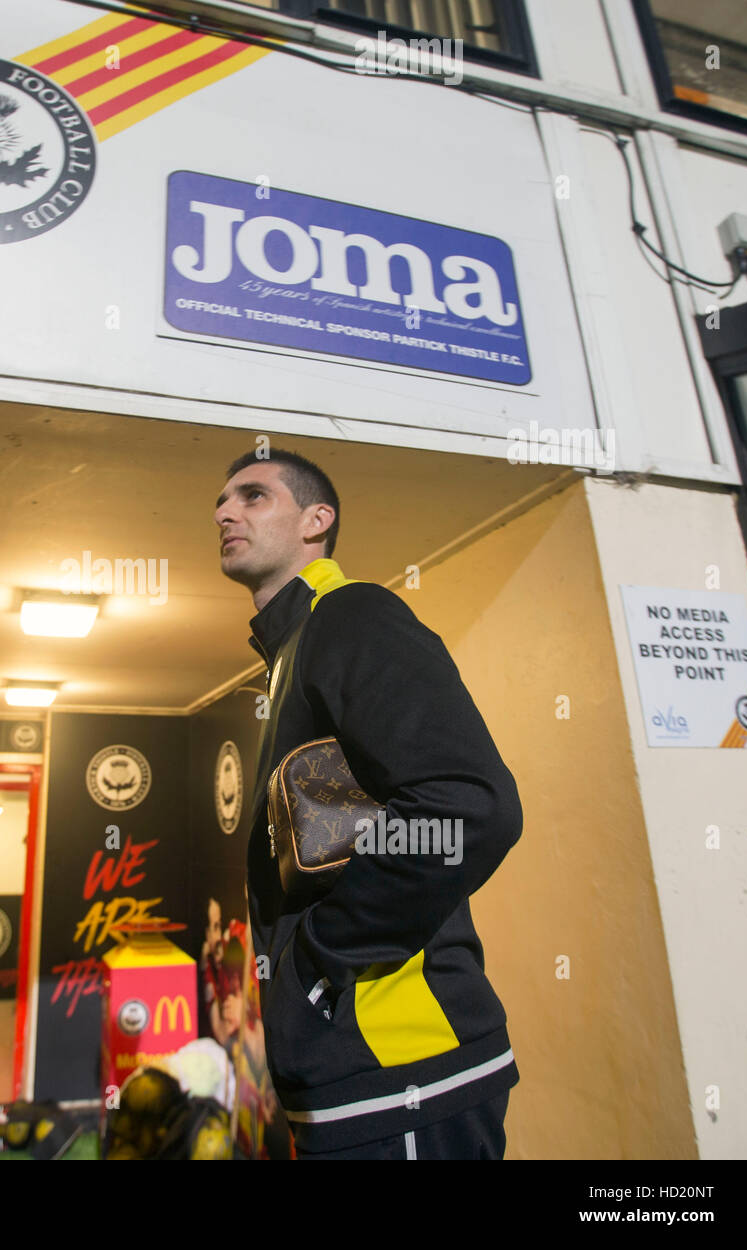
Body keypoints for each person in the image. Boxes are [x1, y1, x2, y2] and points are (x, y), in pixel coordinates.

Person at [214, 447, 522, 1160]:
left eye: (253, 496)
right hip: (349, 1079)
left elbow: (469, 810)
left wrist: (321, 961)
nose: (226, 513)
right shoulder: (291, 651)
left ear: (318, 521)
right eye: (221, 505)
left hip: (401, 1070)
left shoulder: (350, 614)